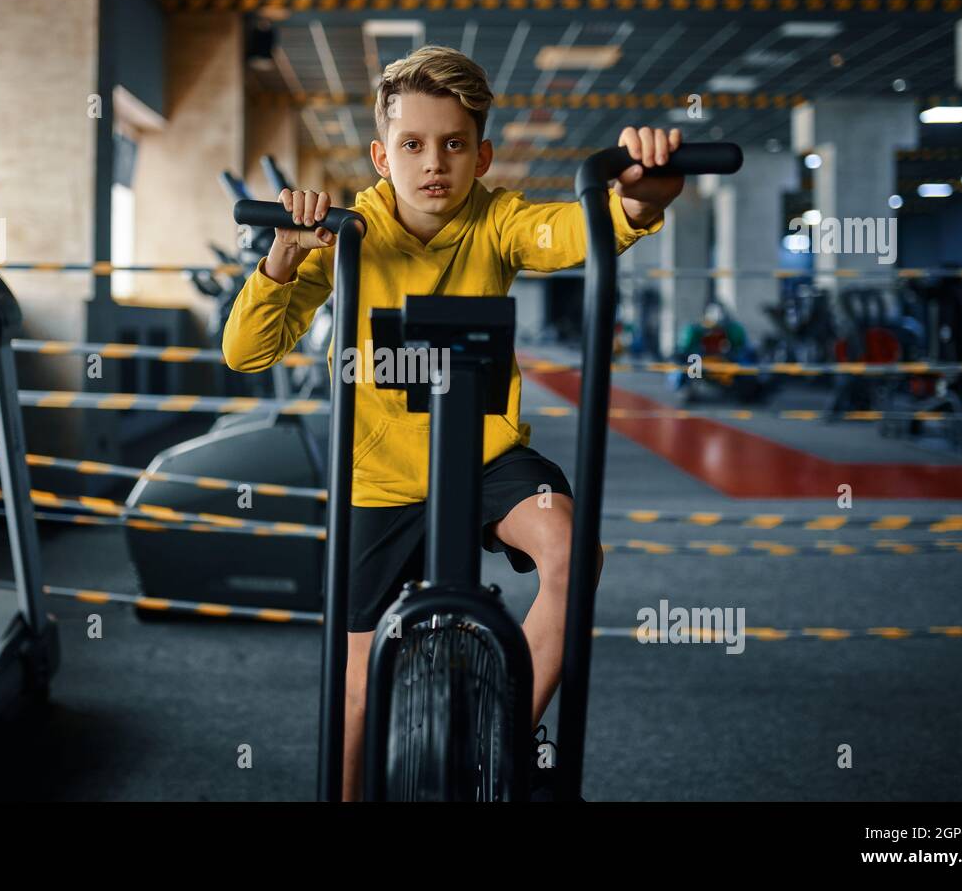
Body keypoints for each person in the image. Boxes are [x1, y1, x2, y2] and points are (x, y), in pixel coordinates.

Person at [222, 45, 684, 800]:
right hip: (381, 477)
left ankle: (495, 743)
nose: (433, 163)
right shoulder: (345, 236)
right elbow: (246, 353)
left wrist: (644, 197)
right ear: (381, 156)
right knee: (357, 695)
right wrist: (281, 256)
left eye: (453, 145)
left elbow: (573, 230)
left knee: (573, 554)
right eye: (412, 145)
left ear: (481, 156)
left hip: (488, 460)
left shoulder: (498, 220)